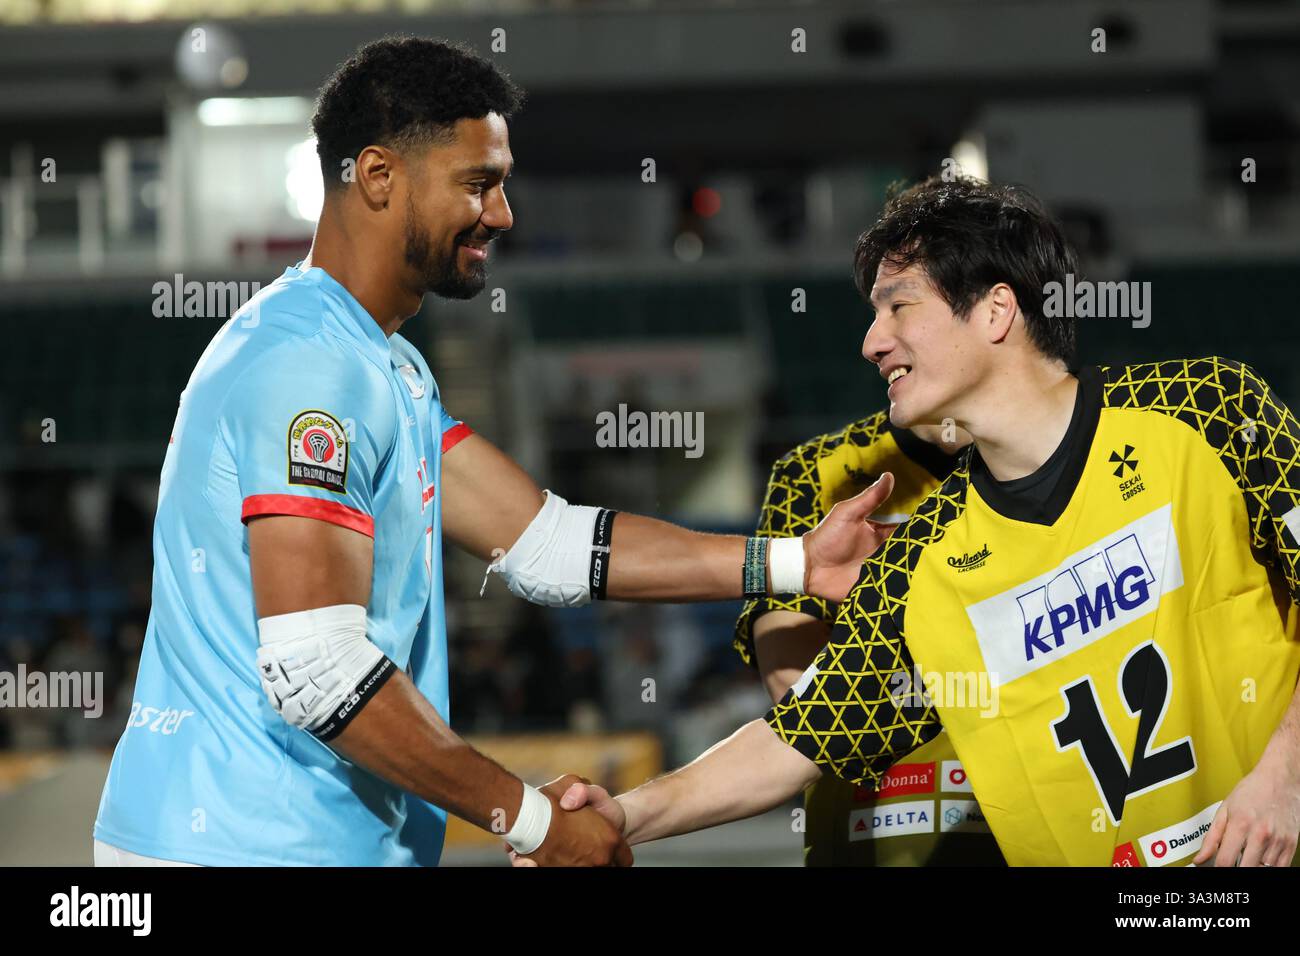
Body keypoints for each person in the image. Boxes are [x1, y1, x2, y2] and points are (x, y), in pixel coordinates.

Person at [91, 36, 888, 868]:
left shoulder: (381, 363)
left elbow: (546, 544)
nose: (502, 215)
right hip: (243, 847)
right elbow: (316, 670)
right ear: (377, 177)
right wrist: (533, 821)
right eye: (479, 184)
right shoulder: (309, 367)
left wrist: (798, 563)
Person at [530, 175, 1300, 868]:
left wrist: (1284, 780)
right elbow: (801, 735)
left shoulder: (1210, 410)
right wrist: (625, 813)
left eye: (900, 306)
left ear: (997, 309)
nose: (872, 342)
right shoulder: (923, 556)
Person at [736, 412, 1006, 865]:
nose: (878, 344)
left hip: (1051, 802)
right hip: (884, 817)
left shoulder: (1063, 448)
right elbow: (792, 685)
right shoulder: (813, 470)